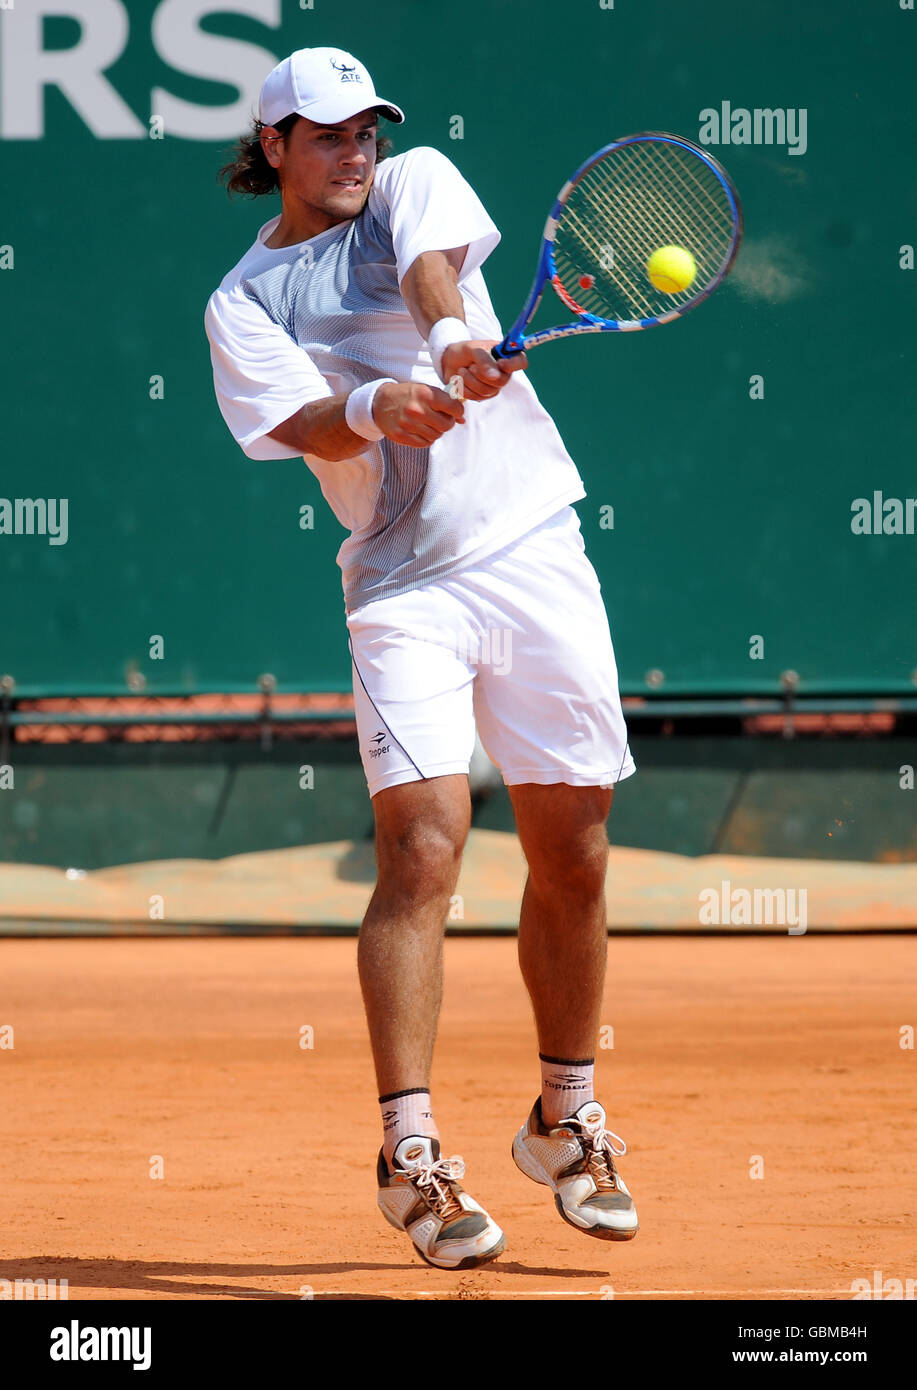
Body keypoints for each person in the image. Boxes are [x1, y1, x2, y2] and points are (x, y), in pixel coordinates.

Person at [205, 46, 638, 1271]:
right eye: (326, 134)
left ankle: (564, 1117)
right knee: (424, 840)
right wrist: (371, 409)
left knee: (575, 847)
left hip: (533, 551)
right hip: (400, 585)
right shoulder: (241, 302)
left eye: (365, 131)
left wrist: (449, 348)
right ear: (273, 147)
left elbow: (435, 275)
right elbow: (287, 420)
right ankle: (409, 1156)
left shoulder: (413, 184)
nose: (354, 152)